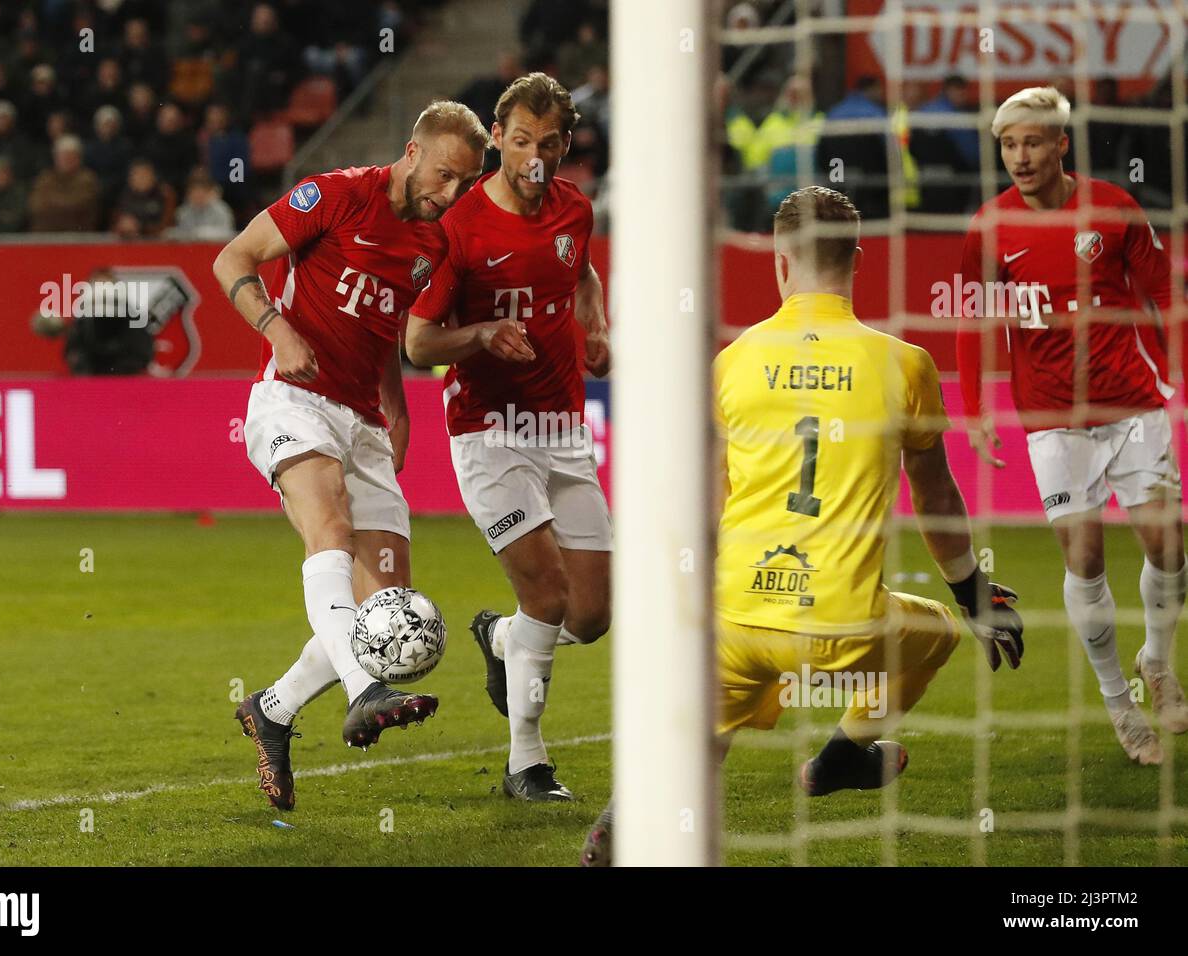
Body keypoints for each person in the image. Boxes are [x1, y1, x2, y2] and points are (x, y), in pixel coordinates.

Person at [581, 186, 1025, 866]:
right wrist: (973, 594)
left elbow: (709, 499)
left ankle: (626, 816)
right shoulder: (906, 364)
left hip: (736, 614)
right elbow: (934, 492)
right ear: (857, 259)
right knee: (935, 633)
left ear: (779, 260)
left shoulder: (732, 362)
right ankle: (841, 757)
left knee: (701, 732)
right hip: (837, 632)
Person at [211, 101, 487, 811]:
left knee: (390, 615)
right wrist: (275, 328)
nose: (450, 195)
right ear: (412, 150)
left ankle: (271, 709)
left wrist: (395, 408)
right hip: (294, 400)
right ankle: (367, 694)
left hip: (363, 423)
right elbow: (231, 258)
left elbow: (383, 328)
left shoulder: (432, 242)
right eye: (445, 176)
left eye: (466, 184)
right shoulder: (335, 195)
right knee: (328, 527)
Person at [958, 86, 1188, 764]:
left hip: (1132, 405)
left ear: (1061, 144)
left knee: (1168, 544)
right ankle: (1121, 705)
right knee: (1084, 557)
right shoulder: (988, 227)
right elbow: (973, 323)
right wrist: (974, 410)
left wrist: (1176, 370)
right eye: (1007, 145)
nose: (1019, 158)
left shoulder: (1113, 207)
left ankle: (1158, 662)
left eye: (1031, 143)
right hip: (1052, 421)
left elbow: (1165, 290)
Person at [405, 73, 611, 802]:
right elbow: (419, 341)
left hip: (562, 427)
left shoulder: (575, 209)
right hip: (488, 432)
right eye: (520, 140)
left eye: (547, 144)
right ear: (498, 136)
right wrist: (483, 334)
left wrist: (598, 325)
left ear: (563, 147)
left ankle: (500, 638)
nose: (532, 156)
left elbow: (581, 273)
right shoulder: (455, 230)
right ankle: (527, 761)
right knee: (549, 595)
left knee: (592, 615)